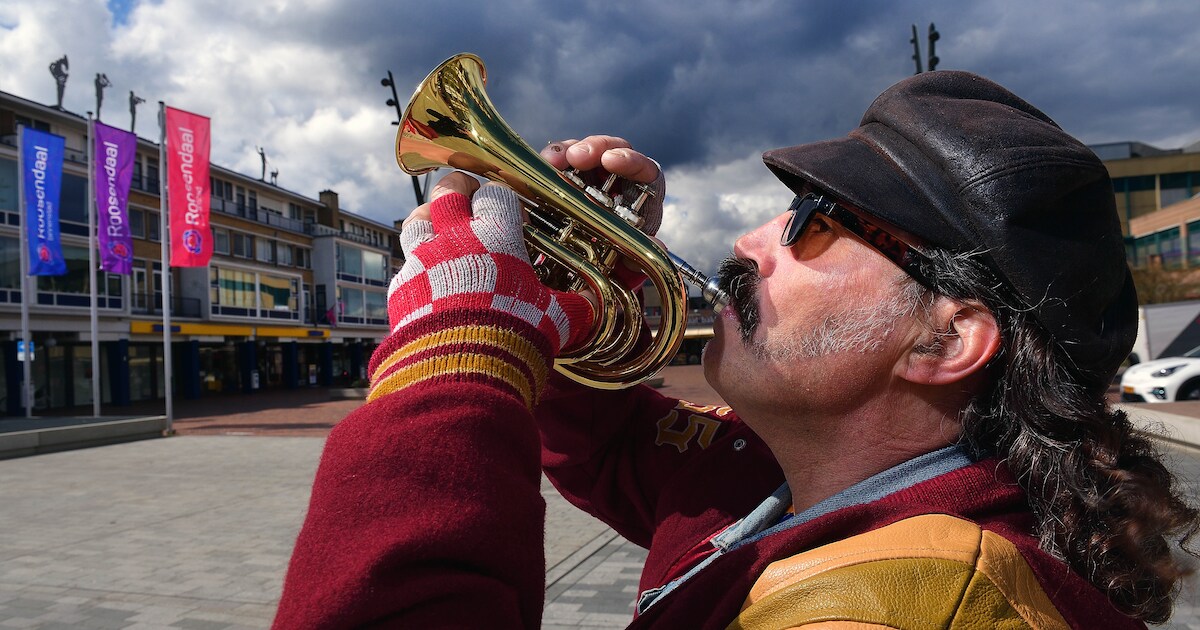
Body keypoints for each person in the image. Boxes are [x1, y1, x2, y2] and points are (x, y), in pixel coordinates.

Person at [273, 71, 1198, 628]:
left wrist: (454, 349)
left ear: (947, 338)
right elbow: (618, 451)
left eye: (816, 224)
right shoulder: (795, 468)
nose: (750, 241)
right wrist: (580, 300)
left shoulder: (913, 606)